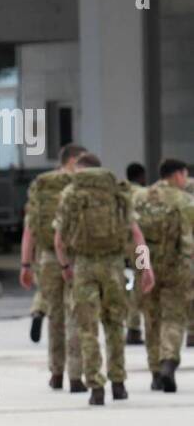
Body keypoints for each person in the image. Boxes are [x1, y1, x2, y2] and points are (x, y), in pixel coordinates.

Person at [53, 152, 154, 405]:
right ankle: (118, 384)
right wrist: (145, 268)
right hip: (114, 266)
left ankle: (96, 388)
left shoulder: (71, 194)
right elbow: (137, 236)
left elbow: (59, 239)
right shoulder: (118, 193)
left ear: (81, 169)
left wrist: (65, 265)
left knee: (88, 329)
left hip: (83, 266)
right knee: (115, 326)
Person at [18, 144, 86, 391]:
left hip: (47, 257)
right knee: (75, 316)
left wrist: (26, 264)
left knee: (55, 317)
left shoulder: (42, 185)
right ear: (73, 160)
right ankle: (76, 375)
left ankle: (56, 373)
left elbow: (30, 229)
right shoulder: (84, 185)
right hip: (78, 257)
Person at [135, 158, 193, 392]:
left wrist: (141, 266)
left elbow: (133, 236)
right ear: (178, 175)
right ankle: (168, 361)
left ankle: (155, 373)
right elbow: (189, 243)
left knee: (151, 319)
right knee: (173, 317)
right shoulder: (185, 201)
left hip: (145, 265)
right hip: (176, 267)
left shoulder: (139, 198)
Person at [125, 162, 148, 345]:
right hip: (139, 245)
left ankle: (130, 327)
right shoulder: (142, 194)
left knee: (128, 282)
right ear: (141, 176)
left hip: (119, 245)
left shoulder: (122, 193)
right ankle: (134, 328)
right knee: (140, 281)